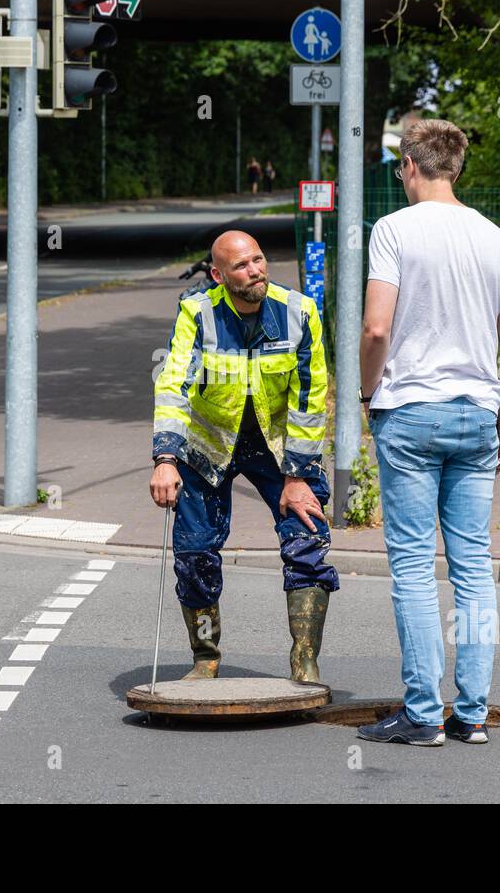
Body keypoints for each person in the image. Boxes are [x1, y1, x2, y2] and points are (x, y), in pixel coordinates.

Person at [355, 119, 500, 747]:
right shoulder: (495, 237)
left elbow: (377, 330)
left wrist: (369, 393)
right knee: (473, 566)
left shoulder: (394, 230)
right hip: (477, 412)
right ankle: (473, 715)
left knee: (411, 565)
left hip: (409, 412)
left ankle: (424, 714)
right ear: (457, 169)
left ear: (409, 166)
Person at [150, 229, 337, 683]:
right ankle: (205, 658)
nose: (255, 271)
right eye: (241, 265)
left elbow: (311, 399)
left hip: (279, 447)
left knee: (307, 540)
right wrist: (166, 459)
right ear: (218, 275)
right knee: (194, 553)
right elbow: (173, 385)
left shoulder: (299, 312)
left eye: (258, 260)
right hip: (209, 445)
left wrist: (297, 476)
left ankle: (304, 661)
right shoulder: (197, 313)